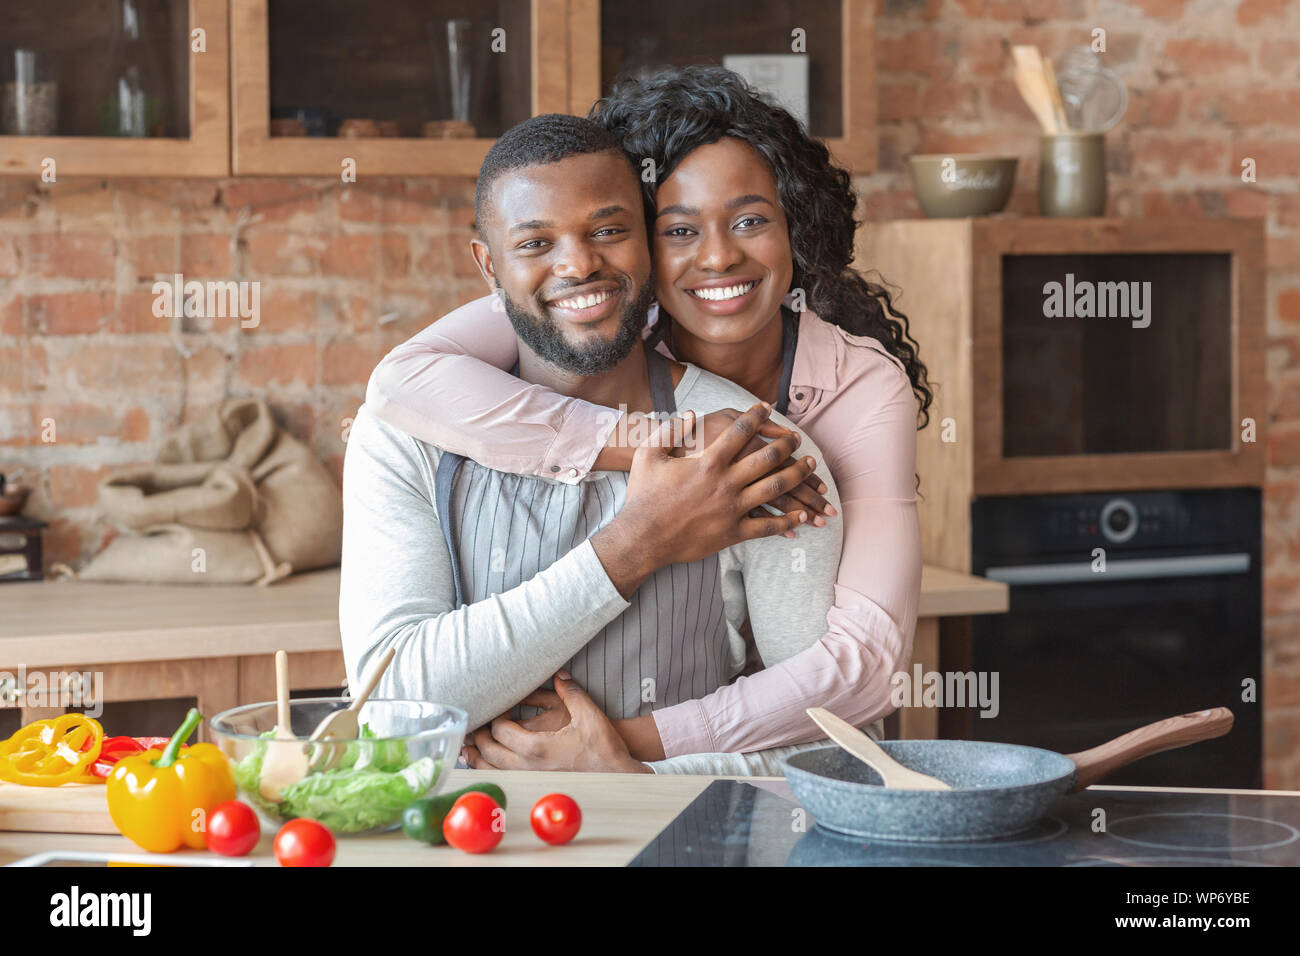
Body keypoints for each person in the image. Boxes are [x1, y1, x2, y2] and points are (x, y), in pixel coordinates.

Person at [366, 66, 931, 764]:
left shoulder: (836, 406)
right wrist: (656, 450)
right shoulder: (589, 311)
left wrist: (623, 754)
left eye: (751, 220)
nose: (719, 255)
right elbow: (401, 381)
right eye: (679, 229)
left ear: (798, 229)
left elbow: (859, 677)